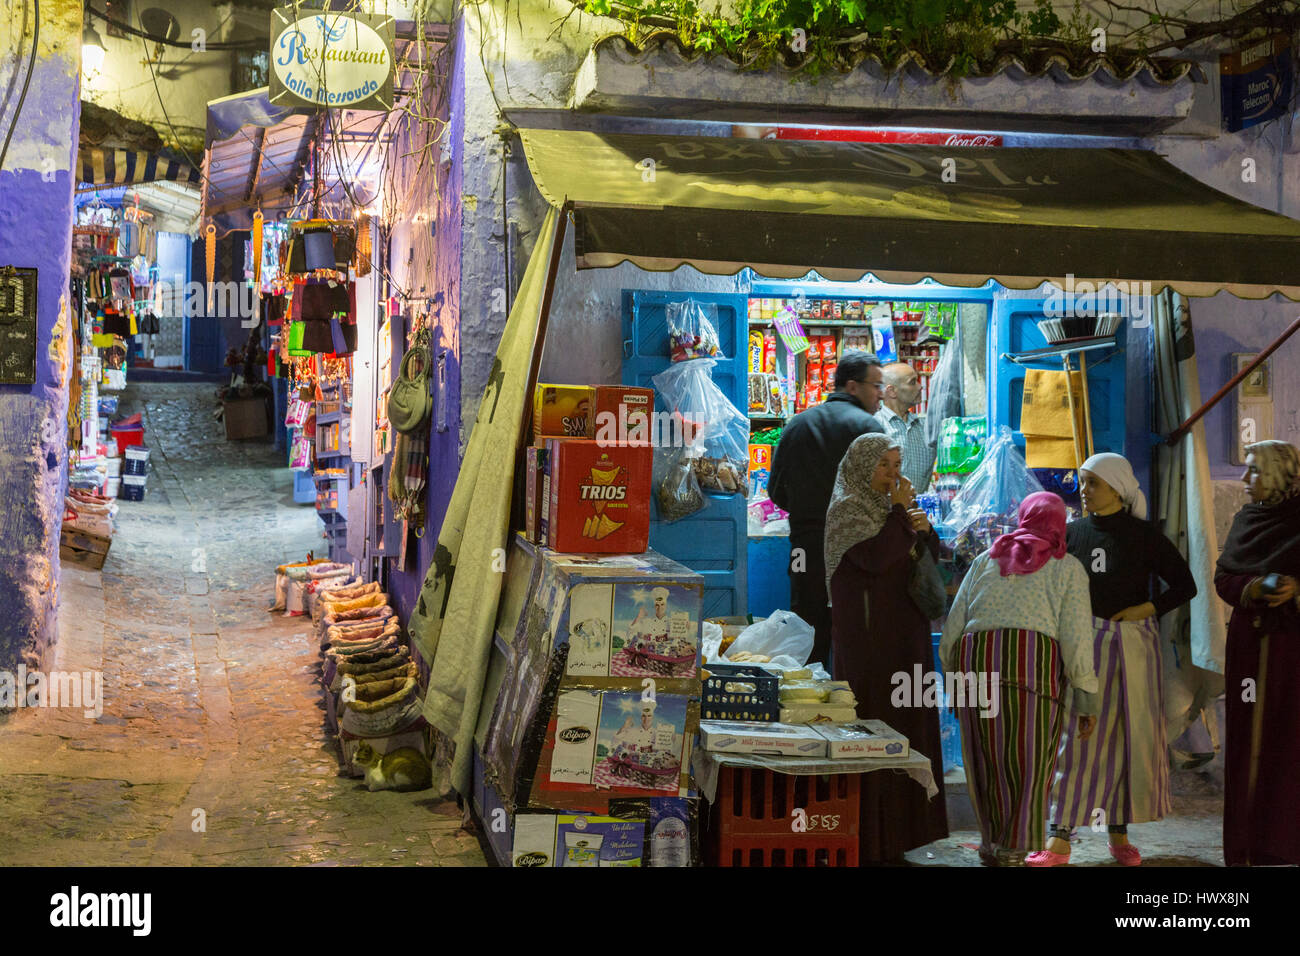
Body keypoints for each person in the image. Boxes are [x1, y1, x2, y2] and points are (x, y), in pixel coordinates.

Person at [1041, 452, 1197, 867]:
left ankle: (1118, 831)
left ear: (1116, 488)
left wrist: (1147, 609)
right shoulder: (1071, 535)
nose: (1084, 490)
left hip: (1132, 643)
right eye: (1083, 481)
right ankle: (1059, 835)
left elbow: (1185, 585)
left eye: (1092, 482)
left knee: (1126, 738)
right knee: (1076, 736)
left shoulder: (1144, 537)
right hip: (1080, 644)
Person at [939, 492, 1099, 866]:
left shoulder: (986, 559)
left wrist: (951, 676)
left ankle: (991, 843)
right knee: (1028, 763)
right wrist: (1086, 696)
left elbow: (956, 621)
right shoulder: (1067, 568)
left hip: (976, 661)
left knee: (984, 761)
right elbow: (1076, 636)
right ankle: (1014, 847)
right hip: (1032, 669)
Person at [825, 434, 948, 863]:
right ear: (862, 468)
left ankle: (915, 835)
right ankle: (875, 841)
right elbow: (877, 559)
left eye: (897, 465)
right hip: (871, 648)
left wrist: (923, 530)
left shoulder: (894, 511)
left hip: (906, 638)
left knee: (913, 728)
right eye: (883, 466)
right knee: (877, 727)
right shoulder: (849, 511)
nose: (894, 475)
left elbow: (925, 559)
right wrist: (900, 515)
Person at [1214, 440, 1300, 866]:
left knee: (1288, 744)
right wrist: (1253, 588)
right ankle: (1245, 846)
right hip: (1249, 648)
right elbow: (1224, 576)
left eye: (1255, 472)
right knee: (1246, 741)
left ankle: (1282, 846)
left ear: (1280, 476)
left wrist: (1295, 589)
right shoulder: (1246, 519)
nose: (1245, 480)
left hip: (1291, 653)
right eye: (1245, 469)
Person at [769, 352, 885, 668]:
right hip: (854, 551)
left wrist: (807, 512)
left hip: (803, 549)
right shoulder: (869, 428)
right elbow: (882, 496)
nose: (881, 394)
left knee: (805, 626)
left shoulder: (798, 424)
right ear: (852, 386)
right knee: (855, 629)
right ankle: (850, 704)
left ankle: (807, 699)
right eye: (876, 386)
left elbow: (775, 492)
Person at [878, 361, 937, 493]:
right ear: (892, 391)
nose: (920, 387)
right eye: (912, 382)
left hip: (917, 511)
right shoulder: (876, 426)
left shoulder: (925, 428)